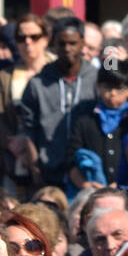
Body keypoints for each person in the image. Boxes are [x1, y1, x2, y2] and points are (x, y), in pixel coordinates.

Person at [18, 19, 98, 189]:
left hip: (88, 175)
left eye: (73, 43)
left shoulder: (96, 79)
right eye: (61, 44)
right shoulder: (37, 84)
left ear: (83, 43)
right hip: (49, 174)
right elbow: (29, 131)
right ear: (53, 45)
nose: (67, 49)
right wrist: (36, 172)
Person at [0, 13, 52, 193]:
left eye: (34, 37)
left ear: (45, 39)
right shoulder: (6, 76)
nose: (27, 42)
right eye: (21, 37)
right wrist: (13, 144)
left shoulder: (57, 70)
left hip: (52, 151)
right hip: (16, 155)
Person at [65, 62, 128, 191]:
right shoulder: (85, 118)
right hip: (90, 191)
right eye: (107, 87)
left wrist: (121, 183)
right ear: (98, 86)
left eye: (119, 88)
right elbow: (71, 158)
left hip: (125, 190)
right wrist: (85, 185)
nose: (112, 93)